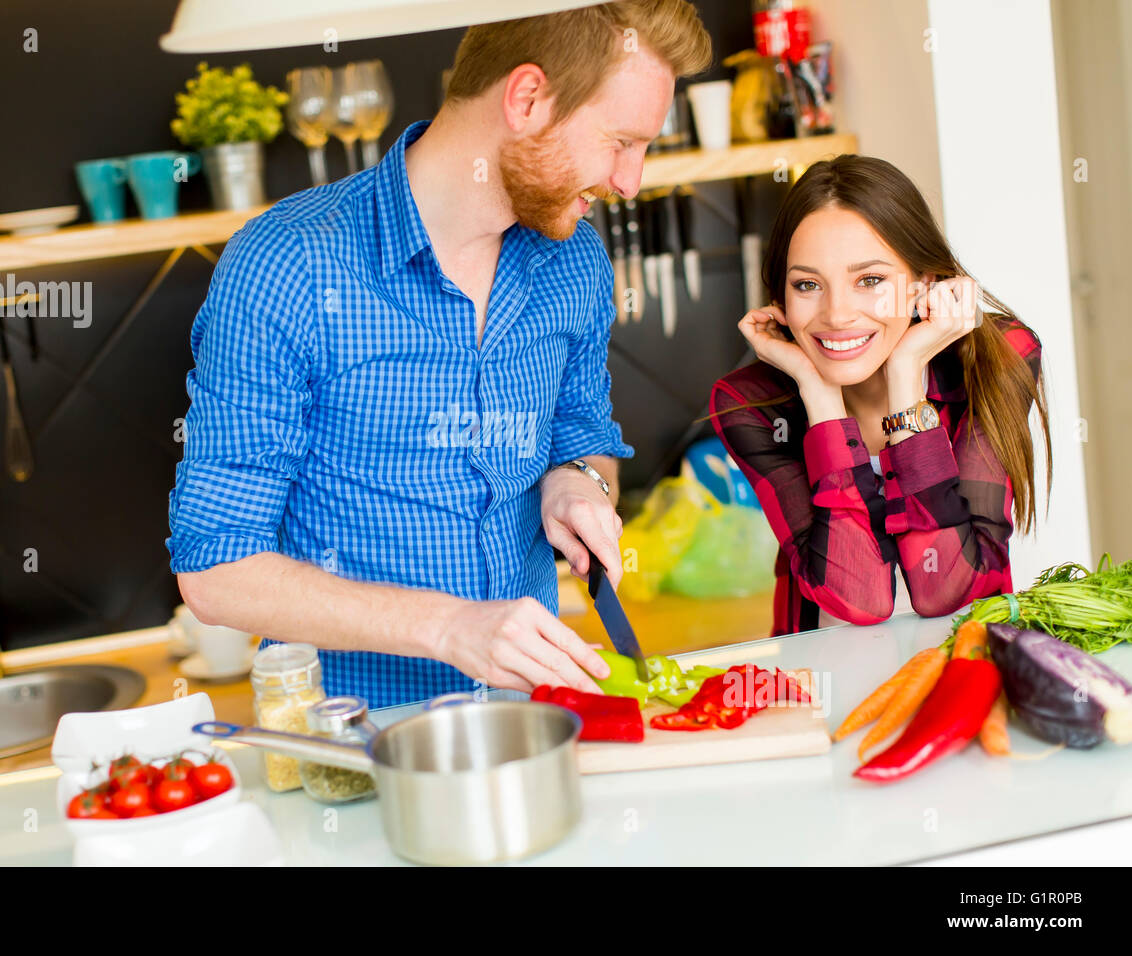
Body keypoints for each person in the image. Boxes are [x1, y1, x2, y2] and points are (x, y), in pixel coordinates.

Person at [166, 2, 713, 707]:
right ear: (526, 98)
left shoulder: (573, 259)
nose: (630, 181)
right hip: (357, 748)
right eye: (620, 142)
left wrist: (578, 482)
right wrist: (451, 628)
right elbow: (216, 571)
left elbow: (582, 433)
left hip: (533, 724)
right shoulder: (288, 264)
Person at [709, 155, 1052, 635]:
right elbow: (860, 597)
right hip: (823, 678)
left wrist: (906, 378)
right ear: (781, 300)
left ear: (924, 285)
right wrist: (821, 397)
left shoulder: (1000, 358)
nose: (837, 315)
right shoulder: (751, 405)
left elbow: (947, 589)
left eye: (869, 281)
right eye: (807, 285)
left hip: (967, 669)